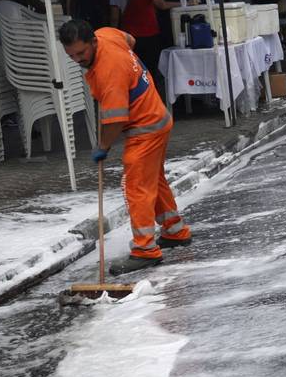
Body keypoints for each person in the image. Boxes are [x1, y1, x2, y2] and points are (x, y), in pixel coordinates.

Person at [58, 19, 190, 275]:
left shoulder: (110, 72)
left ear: (93, 42)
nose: (77, 60)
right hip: (158, 117)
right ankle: (175, 230)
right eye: (71, 55)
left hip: (145, 129)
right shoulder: (106, 33)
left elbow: (116, 120)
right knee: (154, 180)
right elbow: (130, 40)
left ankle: (145, 250)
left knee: (136, 187)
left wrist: (103, 146)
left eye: (81, 53)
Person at [121, 0, 186, 94]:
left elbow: (115, 15)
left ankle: (136, 96)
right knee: (150, 68)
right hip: (148, 33)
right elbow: (161, 5)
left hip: (127, 34)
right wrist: (186, 3)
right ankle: (150, 97)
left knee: (134, 68)